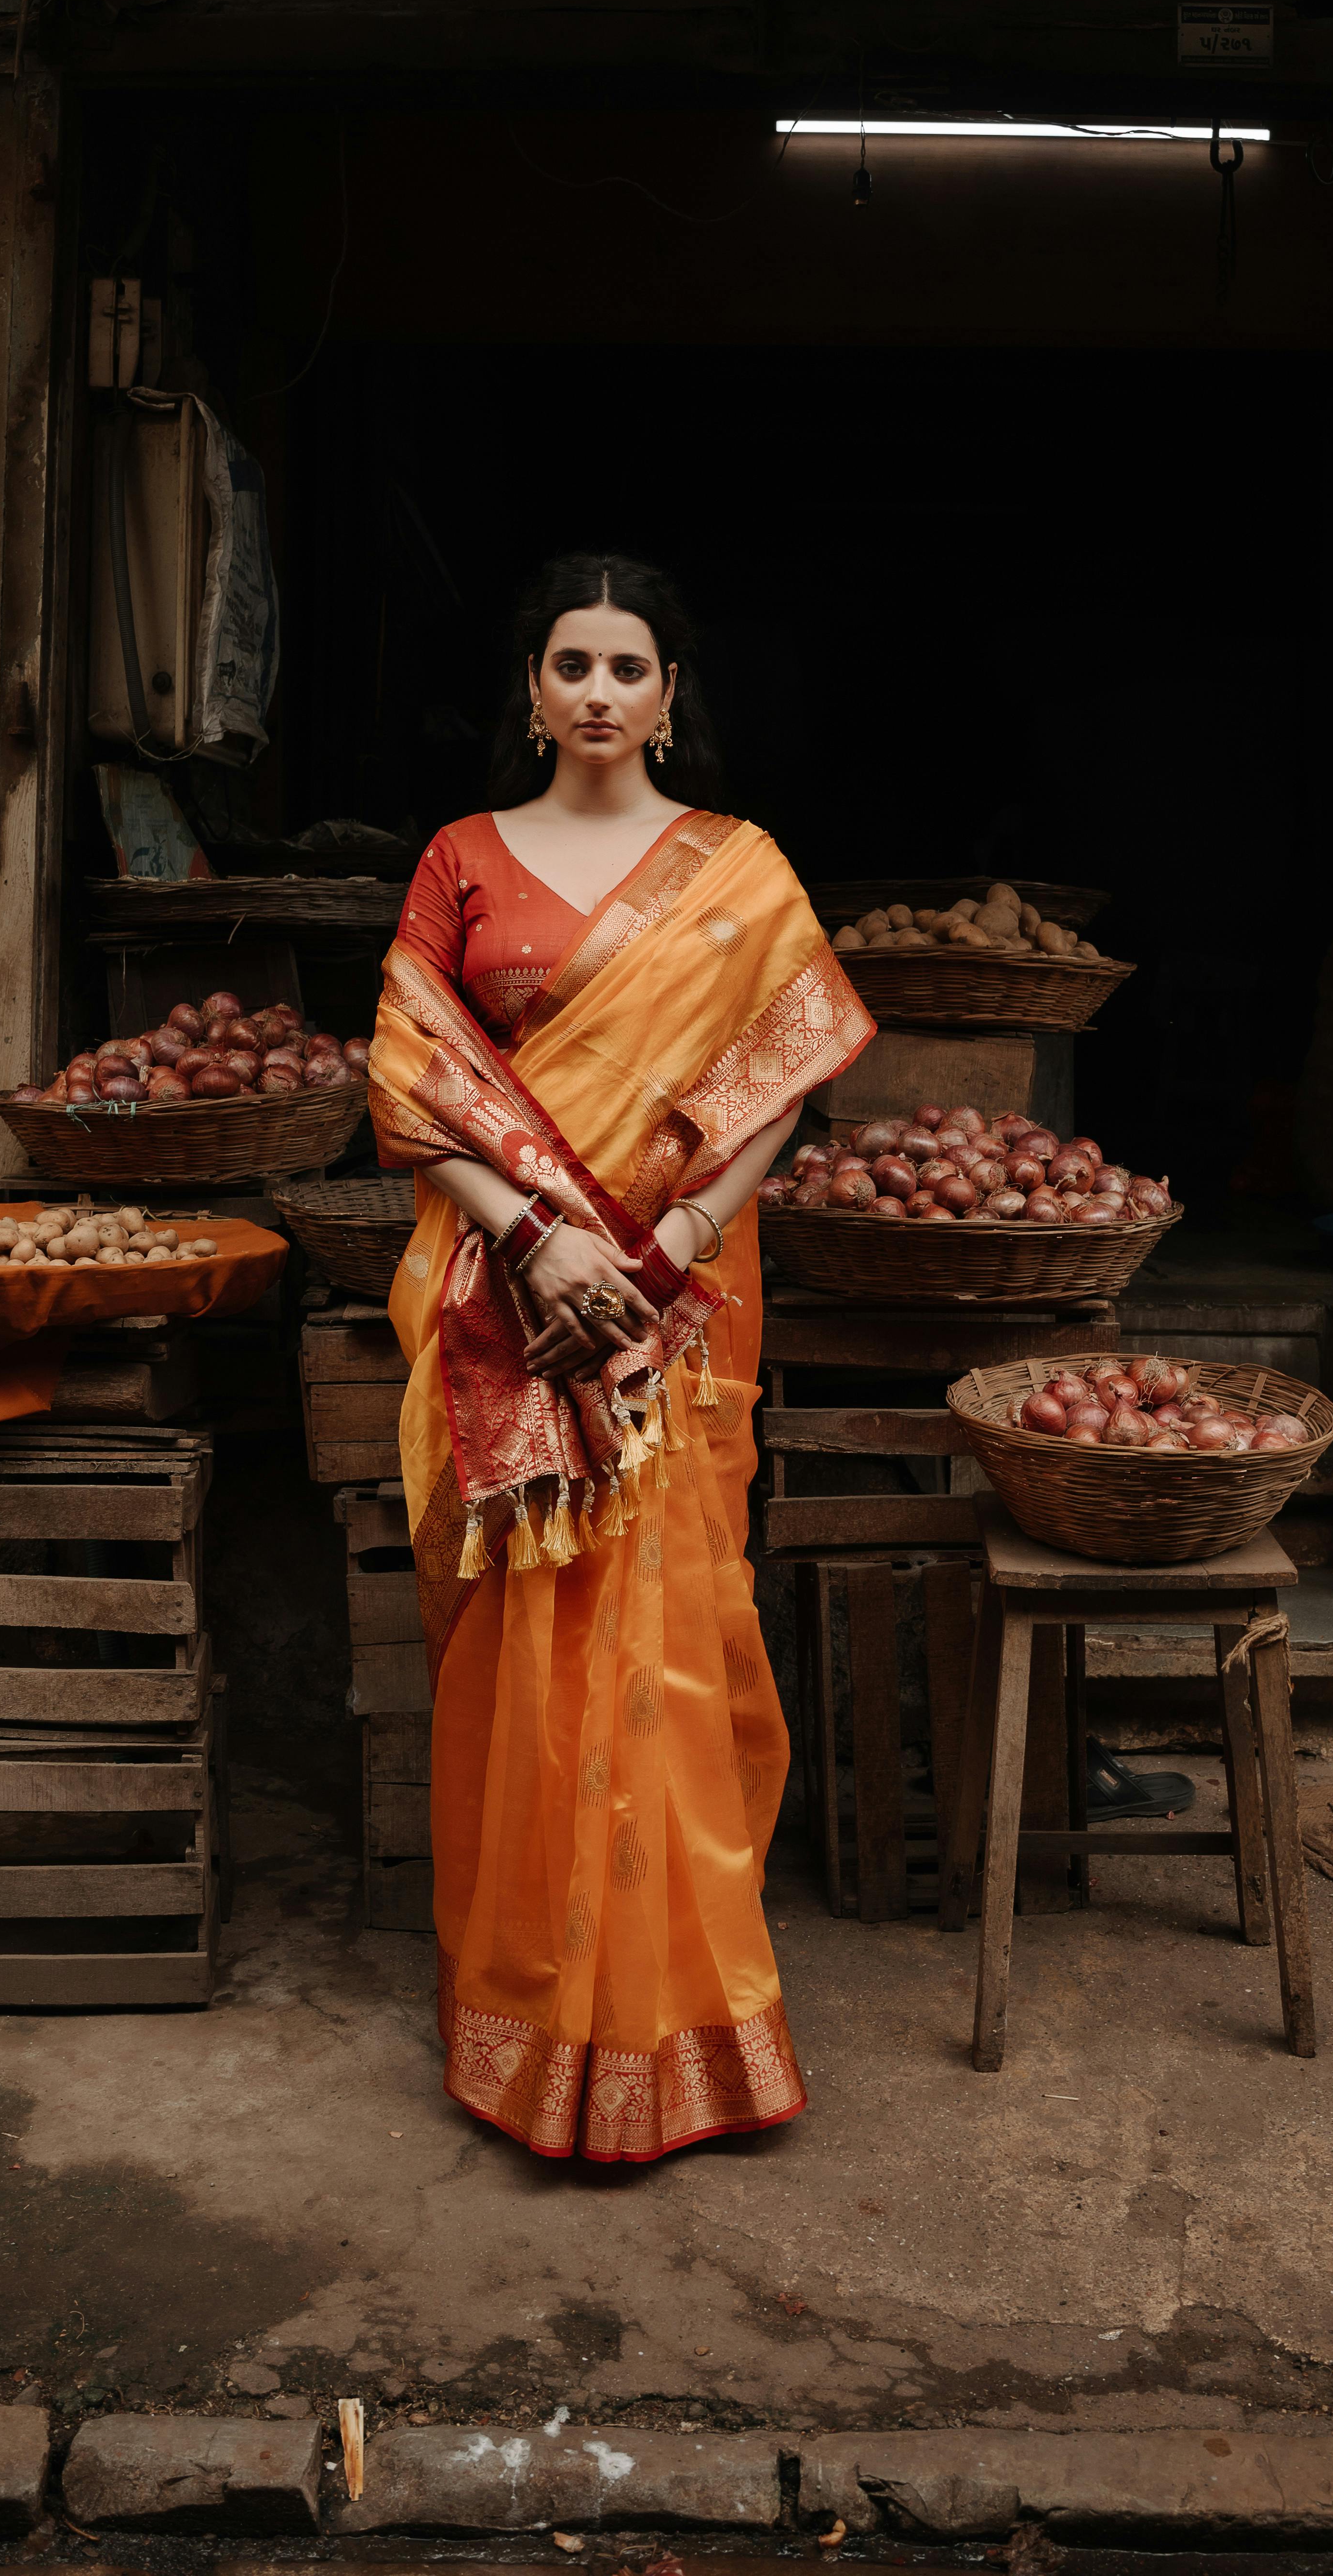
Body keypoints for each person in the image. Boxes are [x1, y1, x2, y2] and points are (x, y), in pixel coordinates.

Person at [367, 553, 872, 2162]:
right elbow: (411, 1082)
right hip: (507, 1298)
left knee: (669, 1642)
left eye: (628, 667)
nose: (597, 691)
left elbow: (781, 1075)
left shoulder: (737, 867)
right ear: (531, 691)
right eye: (570, 664)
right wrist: (534, 1240)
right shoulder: (461, 860)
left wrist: (672, 1246)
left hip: (680, 1303)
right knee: (530, 1647)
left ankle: (685, 2024)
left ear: (670, 695)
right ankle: (530, 2012)